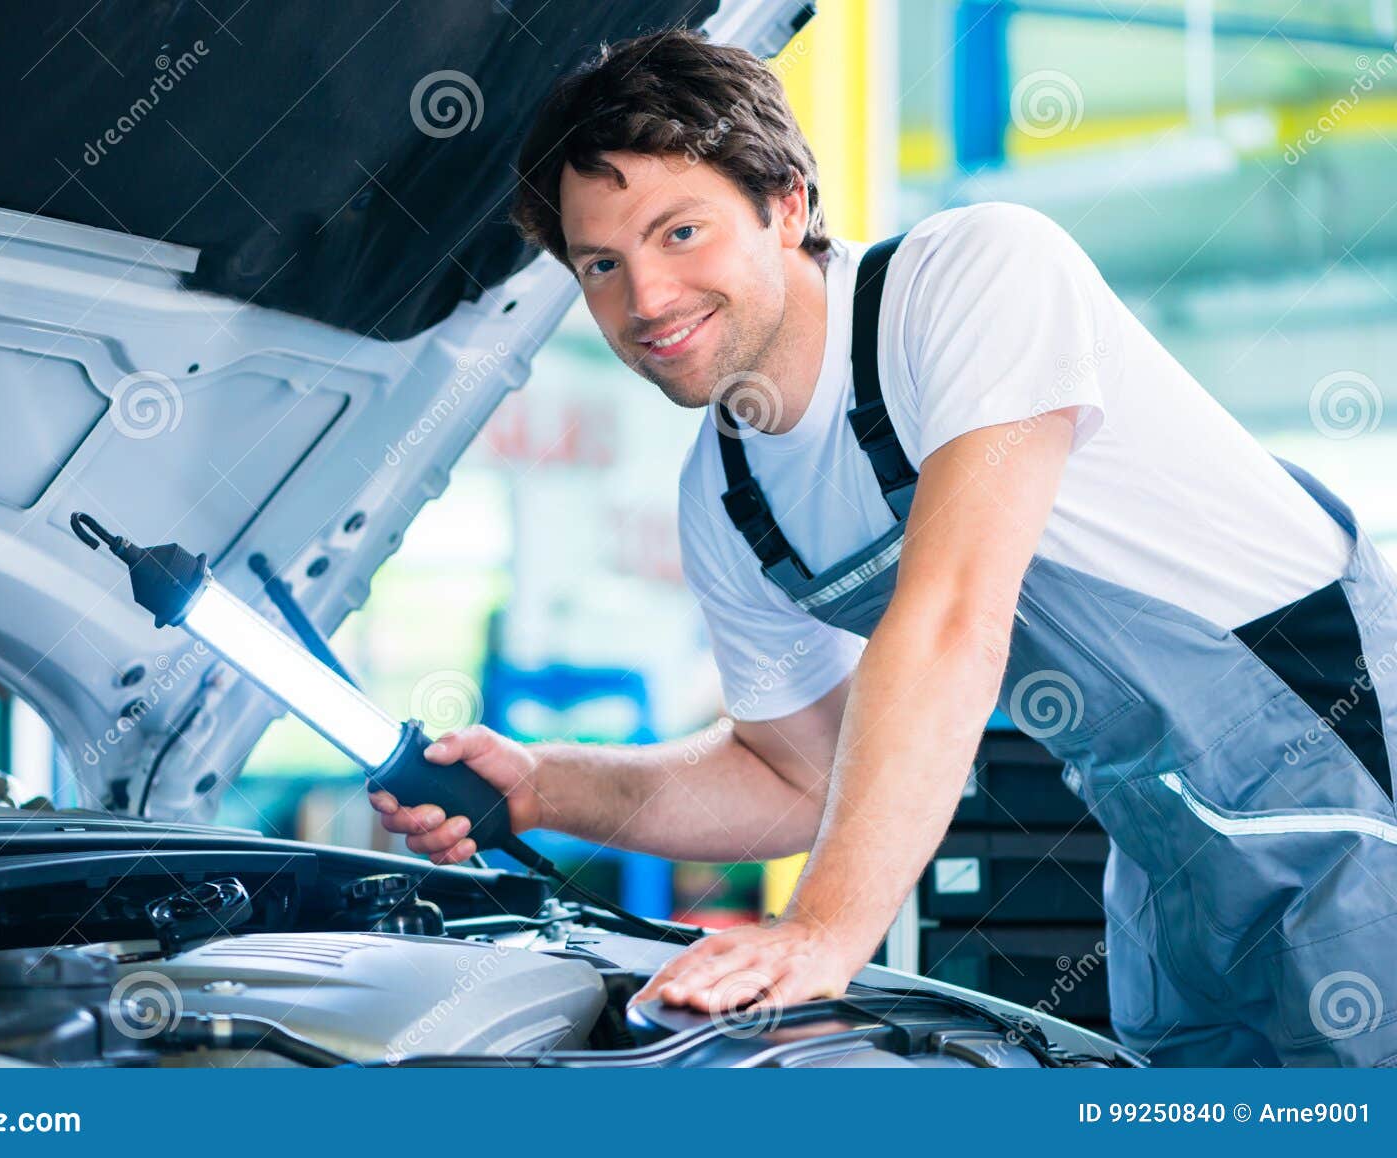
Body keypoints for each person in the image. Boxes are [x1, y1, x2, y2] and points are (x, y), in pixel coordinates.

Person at [368, 28, 1397, 1066]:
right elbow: (792, 780)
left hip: (1349, 768)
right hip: (1174, 861)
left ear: (786, 205)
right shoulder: (728, 496)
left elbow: (954, 620)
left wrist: (822, 930)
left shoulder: (973, 277)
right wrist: (547, 785)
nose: (645, 300)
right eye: (601, 264)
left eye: (680, 232)